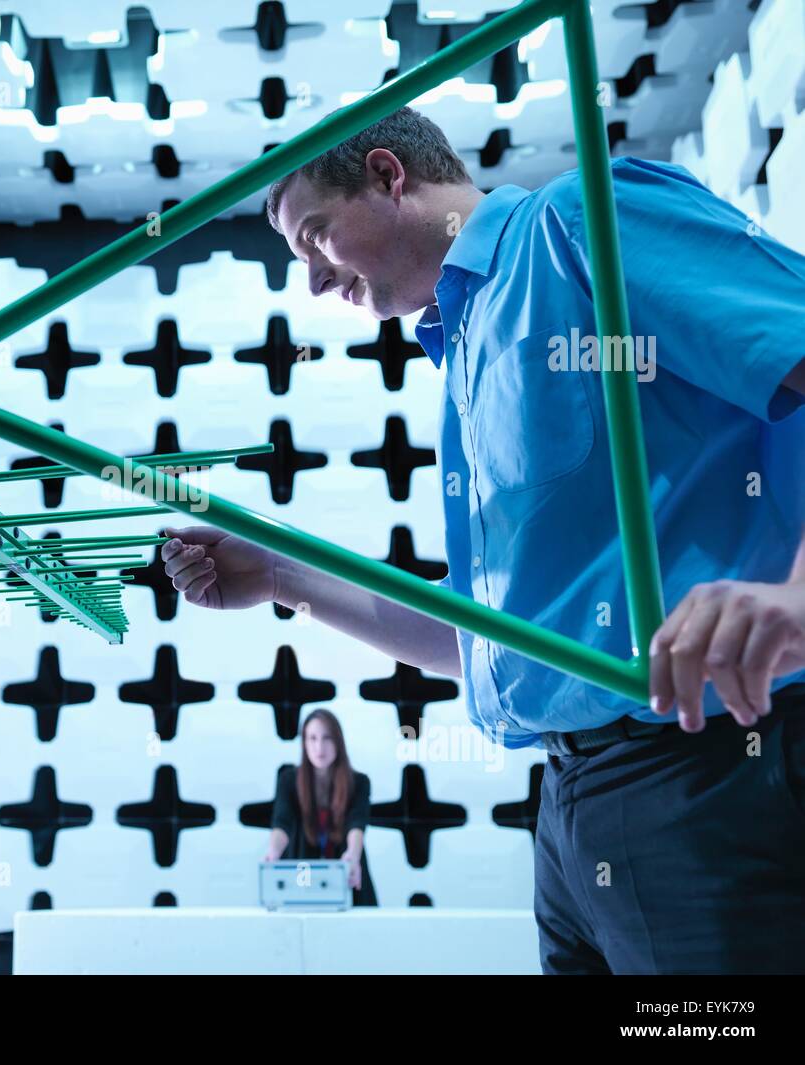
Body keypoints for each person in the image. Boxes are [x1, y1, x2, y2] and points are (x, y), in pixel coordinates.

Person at [161, 106, 805, 974]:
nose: (312, 282)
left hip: (709, 768)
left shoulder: (579, 228)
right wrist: (281, 574)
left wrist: (799, 596)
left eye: (316, 237)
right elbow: (486, 643)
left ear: (389, 176)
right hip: (571, 806)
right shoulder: (461, 354)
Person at [264, 708, 376, 906]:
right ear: (304, 743)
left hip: (347, 873)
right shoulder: (289, 780)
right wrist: (273, 852)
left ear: (338, 742)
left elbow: (357, 824)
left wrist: (353, 854)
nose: (319, 747)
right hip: (301, 873)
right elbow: (282, 822)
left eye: (327, 738)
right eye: (312, 738)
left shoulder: (359, 782)